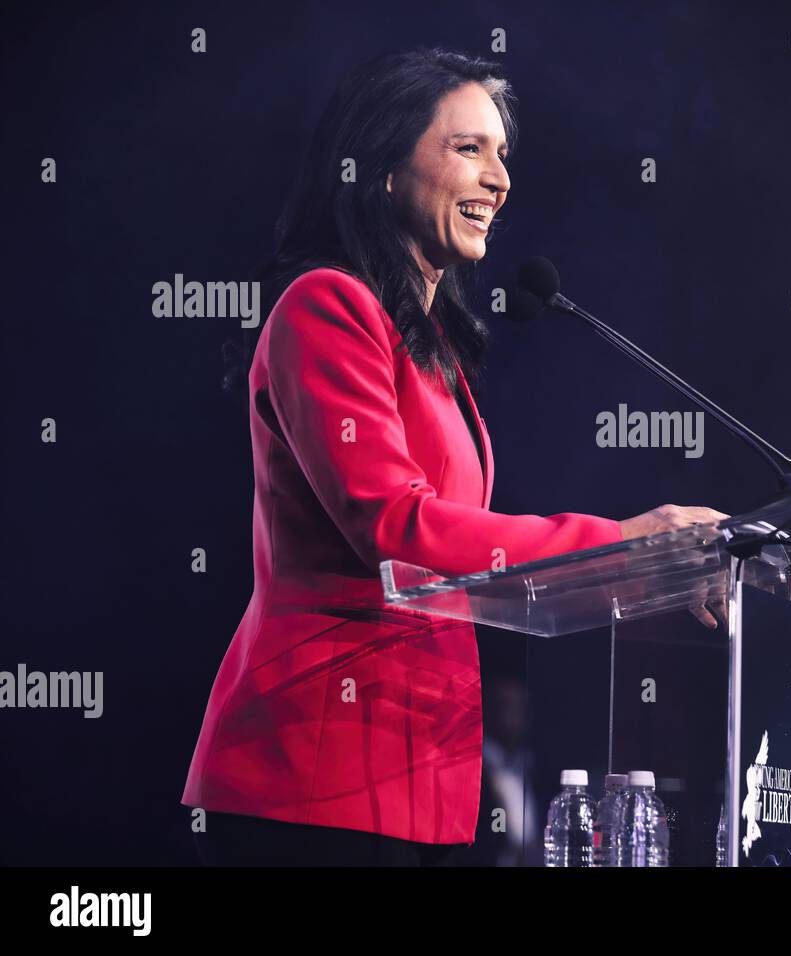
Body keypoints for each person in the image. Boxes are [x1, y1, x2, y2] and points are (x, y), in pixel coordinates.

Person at [182, 47, 726, 866]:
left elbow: (466, 553)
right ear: (384, 168)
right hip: (312, 770)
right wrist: (626, 545)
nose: (500, 178)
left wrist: (646, 571)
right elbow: (396, 527)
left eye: (502, 153)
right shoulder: (324, 306)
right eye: (469, 148)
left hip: (419, 774)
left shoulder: (428, 347)